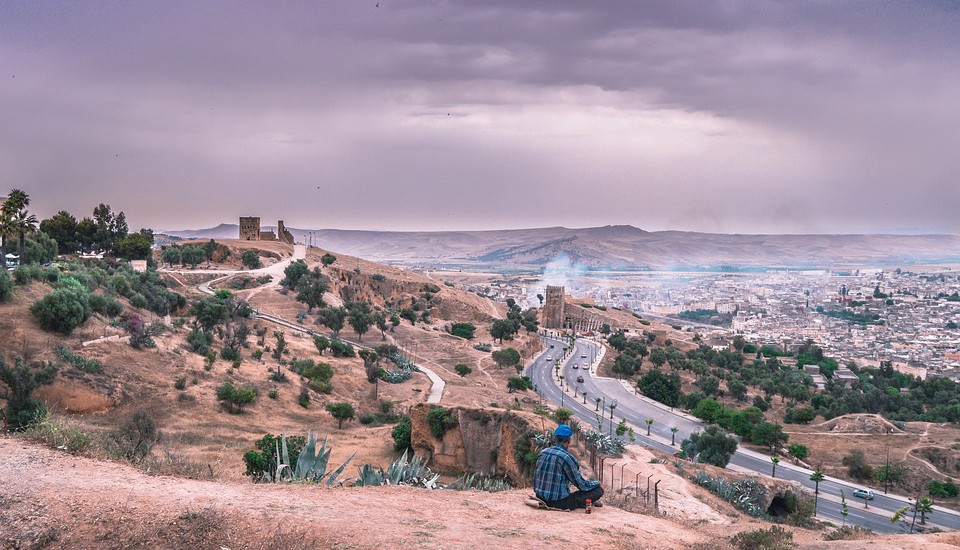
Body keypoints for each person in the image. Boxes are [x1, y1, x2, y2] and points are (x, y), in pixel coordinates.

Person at [533, 424, 603, 510]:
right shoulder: (566, 457)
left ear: (555, 438)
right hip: (559, 502)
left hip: (539, 497)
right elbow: (581, 485)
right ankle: (587, 502)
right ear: (569, 441)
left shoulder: (543, 452)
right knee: (598, 490)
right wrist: (597, 483)